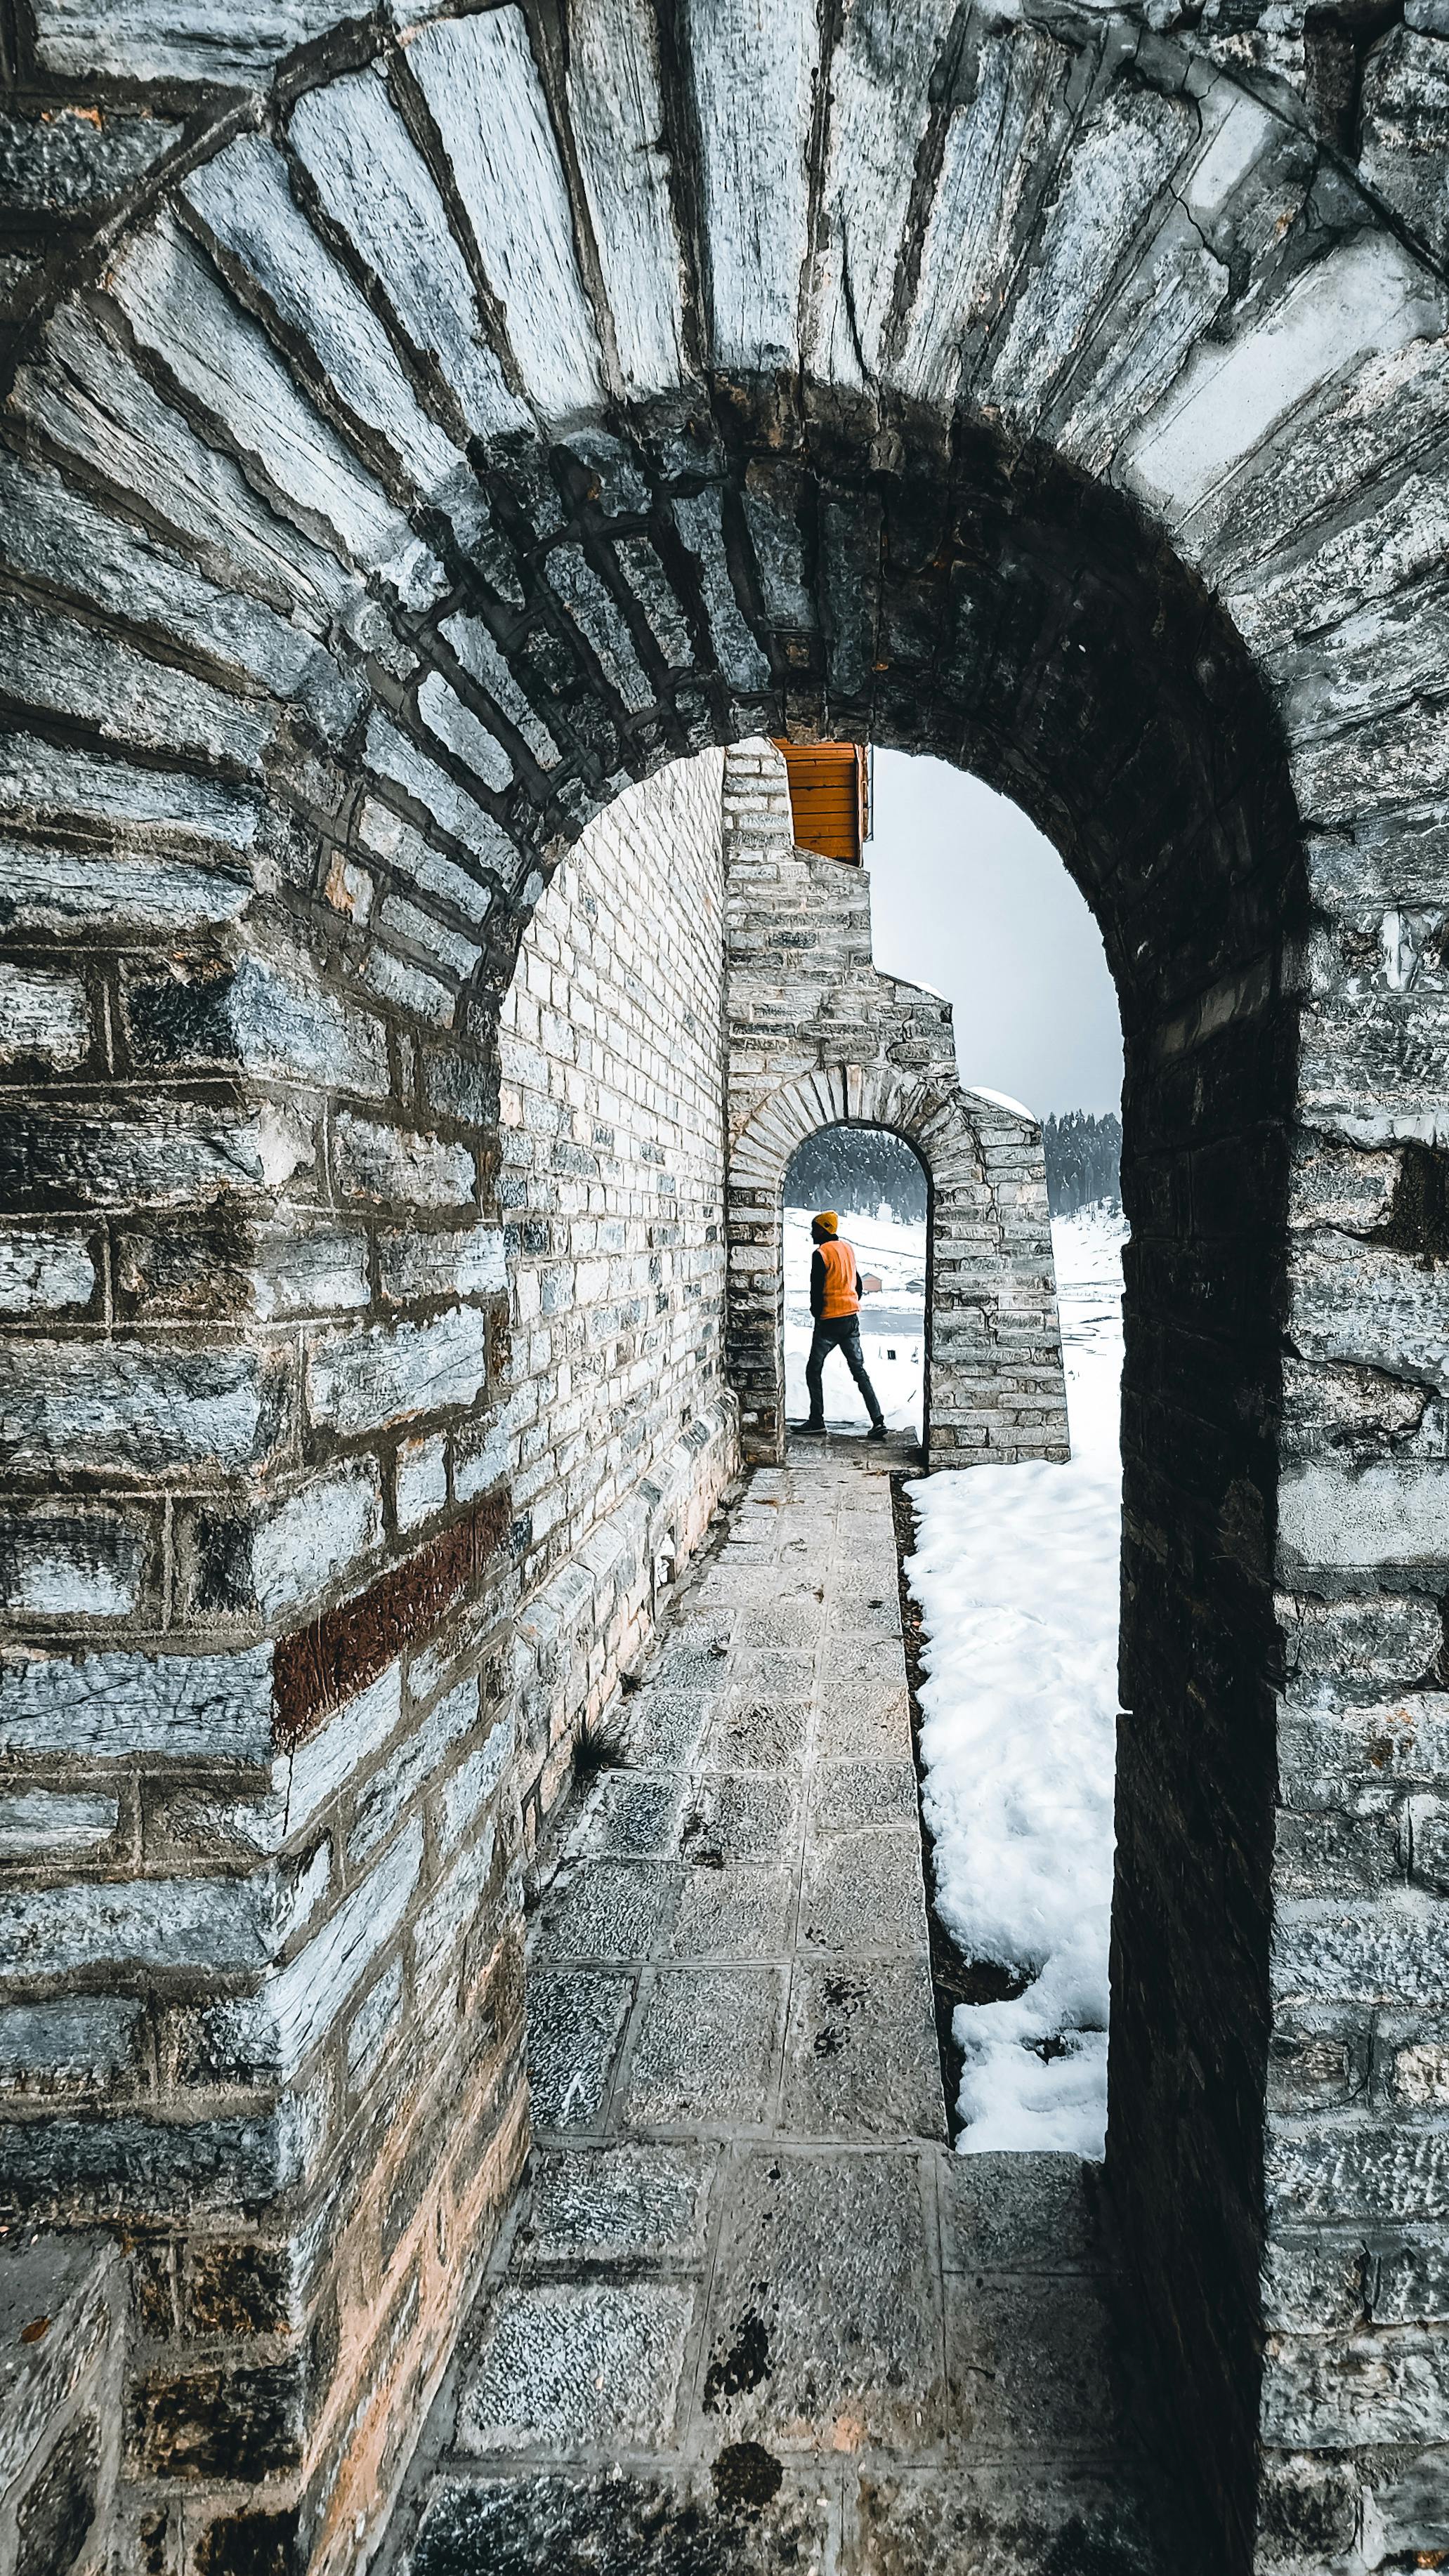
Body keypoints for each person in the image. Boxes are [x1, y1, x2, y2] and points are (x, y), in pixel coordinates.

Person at [794, 1210, 888, 1440]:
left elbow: (816, 1292)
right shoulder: (847, 1249)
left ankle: (817, 1420)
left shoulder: (821, 1254)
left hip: (829, 1322)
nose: (812, 1232)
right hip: (851, 1320)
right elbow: (857, 1286)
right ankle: (878, 1420)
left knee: (813, 1369)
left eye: (814, 1228)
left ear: (824, 1229)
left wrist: (818, 1314)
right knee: (859, 1371)